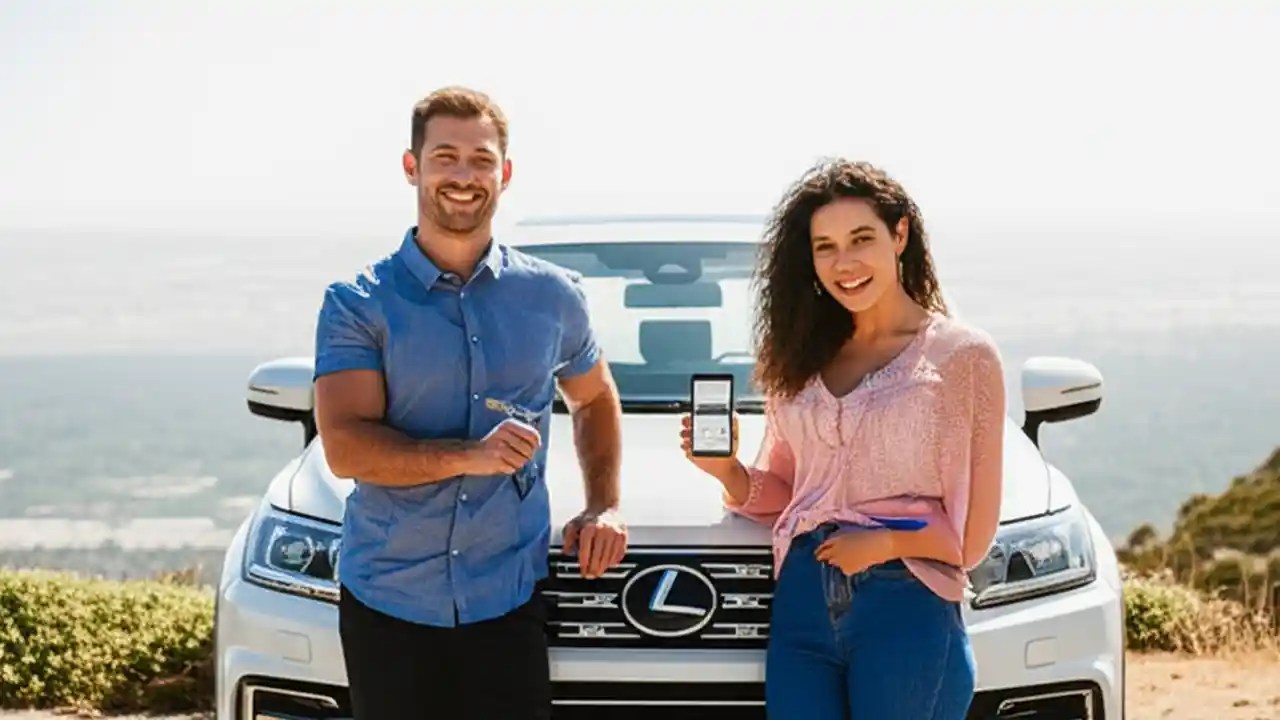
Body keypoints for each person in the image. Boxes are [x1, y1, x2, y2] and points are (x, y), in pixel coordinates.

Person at [312, 86, 628, 720]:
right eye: (445, 157)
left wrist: (604, 504)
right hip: (389, 603)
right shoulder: (357, 303)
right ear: (412, 167)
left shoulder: (554, 297)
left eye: (481, 160)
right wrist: (469, 456)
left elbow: (593, 397)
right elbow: (347, 447)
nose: (464, 176)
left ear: (504, 174)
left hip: (507, 601)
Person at [680, 158, 1005, 719]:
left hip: (905, 604)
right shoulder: (800, 359)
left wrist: (884, 543)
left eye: (861, 239)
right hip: (802, 603)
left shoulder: (961, 357)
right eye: (825, 246)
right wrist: (727, 470)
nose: (844, 263)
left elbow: (972, 538)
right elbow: (790, 490)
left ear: (899, 234)